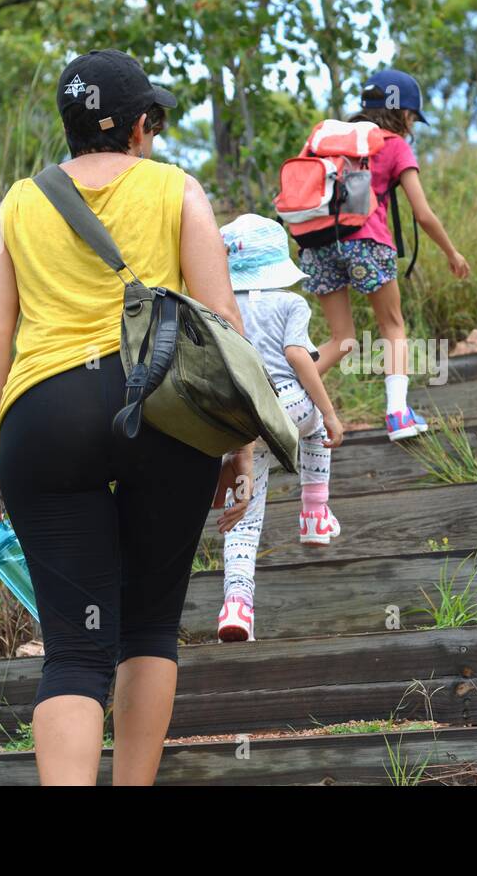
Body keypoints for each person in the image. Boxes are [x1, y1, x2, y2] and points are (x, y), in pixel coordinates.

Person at [0, 49, 254, 786]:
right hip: (162, 411)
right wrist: (238, 441)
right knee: (149, 626)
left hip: (45, 418)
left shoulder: (14, 206)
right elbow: (220, 317)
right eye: (151, 122)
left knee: (74, 649)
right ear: (138, 127)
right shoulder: (178, 190)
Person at [302, 68, 471, 442]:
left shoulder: (327, 138)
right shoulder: (393, 143)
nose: (411, 125)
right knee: (392, 326)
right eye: (412, 117)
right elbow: (423, 214)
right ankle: (397, 415)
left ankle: (283, 402)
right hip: (366, 242)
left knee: (342, 339)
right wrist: (452, 252)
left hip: (317, 244)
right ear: (403, 112)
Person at [217, 214, 344, 643]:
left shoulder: (219, 309)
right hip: (287, 409)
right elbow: (297, 356)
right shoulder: (290, 303)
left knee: (243, 520)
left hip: (236, 425)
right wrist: (328, 413)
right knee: (314, 425)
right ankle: (314, 513)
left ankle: (237, 606)